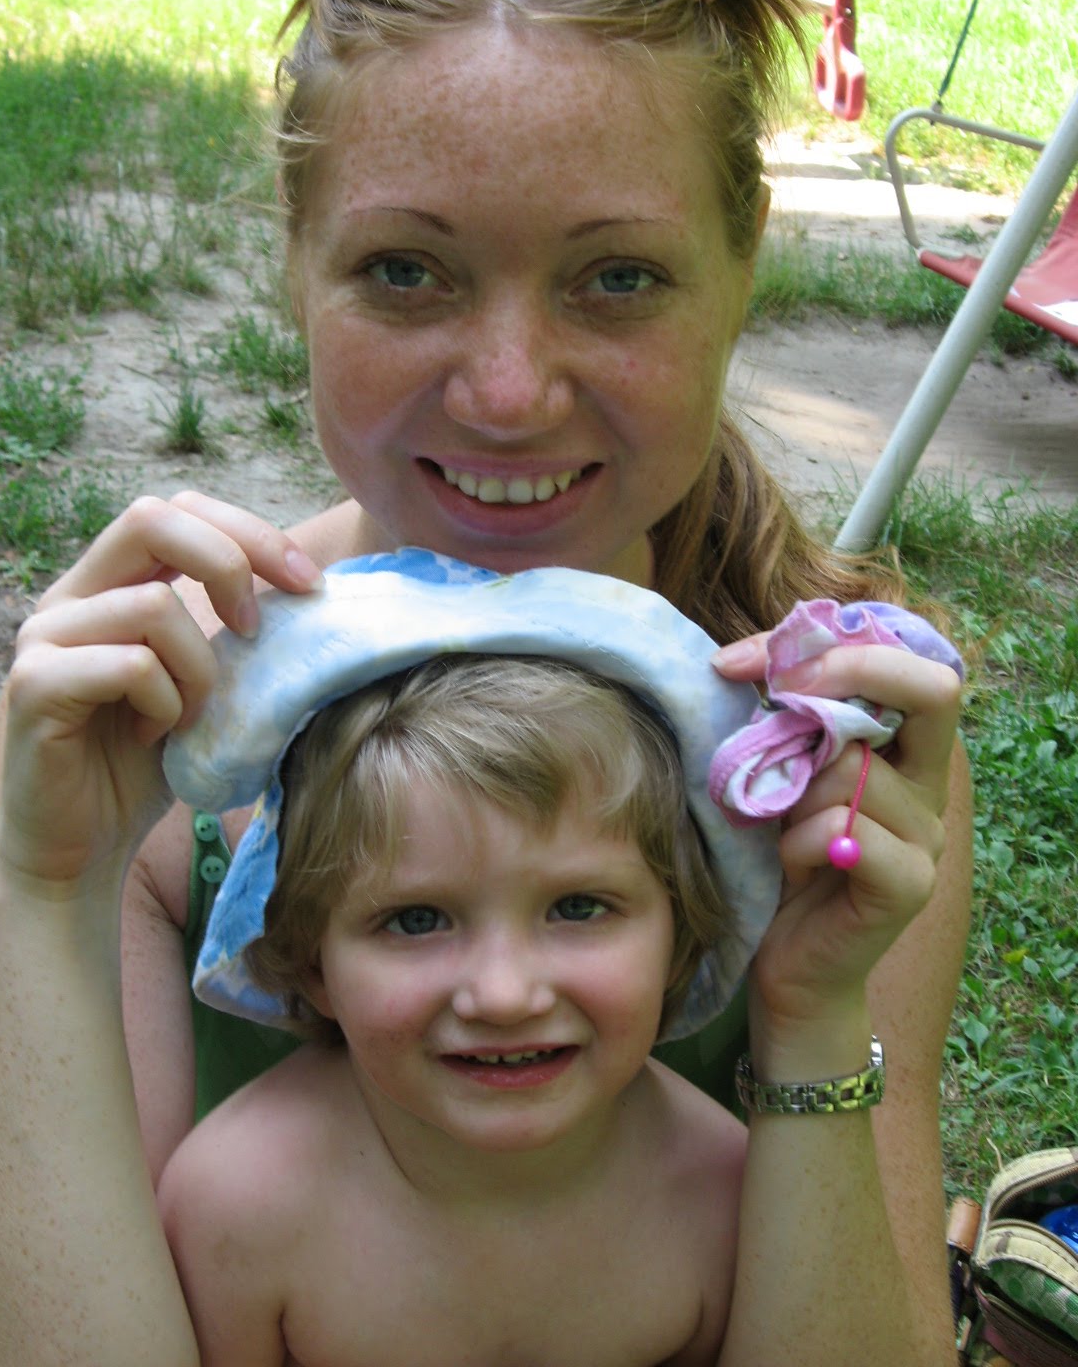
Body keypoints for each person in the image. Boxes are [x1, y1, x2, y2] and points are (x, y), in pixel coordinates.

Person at [0, 0, 969, 1367]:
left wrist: (812, 1020)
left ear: (741, 275)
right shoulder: (152, 715)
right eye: (406, 271)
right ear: (298, 270)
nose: (505, 391)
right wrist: (42, 899)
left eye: (617, 277)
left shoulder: (831, 751)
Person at [150, 552, 949, 1367]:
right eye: (416, 919)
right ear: (310, 959)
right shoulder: (237, 1208)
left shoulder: (727, 1198)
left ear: (682, 930)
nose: (503, 994)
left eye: (578, 908)